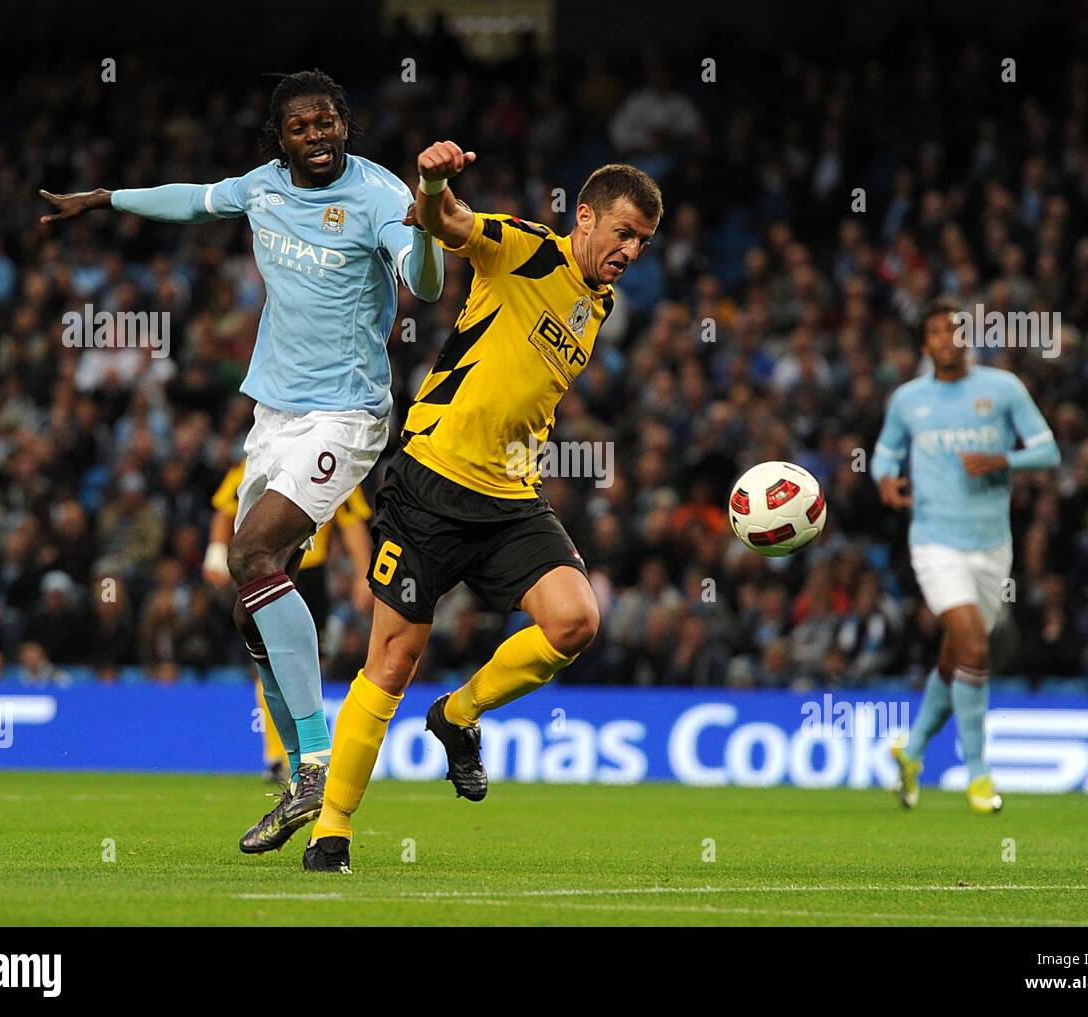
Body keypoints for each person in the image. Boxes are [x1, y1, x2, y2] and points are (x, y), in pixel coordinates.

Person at [39, 69, 444, 851]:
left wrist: (425, 219)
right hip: (274, 416)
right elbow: (194, 197)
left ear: (345, 126)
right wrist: (105, 198)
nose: (317, 135)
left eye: (328, 121)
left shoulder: (381, 194)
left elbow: (422, 282)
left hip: (346, 414)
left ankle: (319, 762)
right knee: (246, 599)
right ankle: (300, 779)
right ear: (280, 137)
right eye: (301, 126)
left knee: (252, 550)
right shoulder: (261, 188)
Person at [303, 142, 662, 873]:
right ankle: (330, 829)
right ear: (584, 217)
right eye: (622, 232)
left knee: (575, 620)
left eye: (643, 243)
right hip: (431, 479)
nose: (630, 251)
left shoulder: (601, 302)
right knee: (393, 660)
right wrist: (433, 183)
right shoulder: (526, 249)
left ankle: (458, 714)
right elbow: (447, 223)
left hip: (510, 497)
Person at [871, 297, 1061, 814]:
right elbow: (883, 455)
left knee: (957, 656)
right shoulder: (909, 400)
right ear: (925, 343)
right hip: (934, 542)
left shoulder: (1002, 390)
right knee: (975, 645)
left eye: (956, 330)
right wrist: (886, 482)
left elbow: (1049, 450)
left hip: (992, 545)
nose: (948, 339)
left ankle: (910, 754)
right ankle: (978, 775)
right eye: (936, 332)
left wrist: (1003, 457)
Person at [204, 459, 374, 791]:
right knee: (264, 658)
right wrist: (214, 554)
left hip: (310, 573)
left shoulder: (327, 457)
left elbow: (351, 520)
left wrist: (363, 572)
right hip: (265, 570)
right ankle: (276, 756)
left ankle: (306, 755)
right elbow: (226, 508)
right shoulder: (256, 460)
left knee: (306, 663)